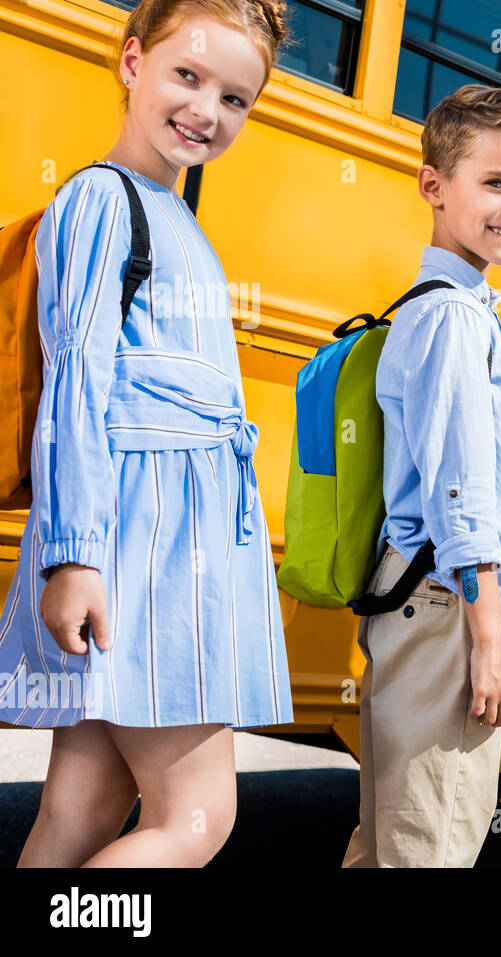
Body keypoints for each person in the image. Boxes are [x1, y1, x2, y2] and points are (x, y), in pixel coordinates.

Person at [0, 0, 293, 867]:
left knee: (78, 817)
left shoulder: (175, 219)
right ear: (133, 62)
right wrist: (75, 553)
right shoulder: (101, 197)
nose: (208, 110)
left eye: (236, 99)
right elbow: (77, 382)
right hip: (144, 554)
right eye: (188, 77)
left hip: (160, 546)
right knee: (197, 819)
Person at [341, 85, 501, 868]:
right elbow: (462, 495)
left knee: (391, 844)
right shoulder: (455, 318)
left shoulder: (440, 306)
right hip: (446, 607)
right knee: (428, 847)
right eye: (495, 183)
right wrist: (490, 638)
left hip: (419, 599)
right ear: (433, 185)